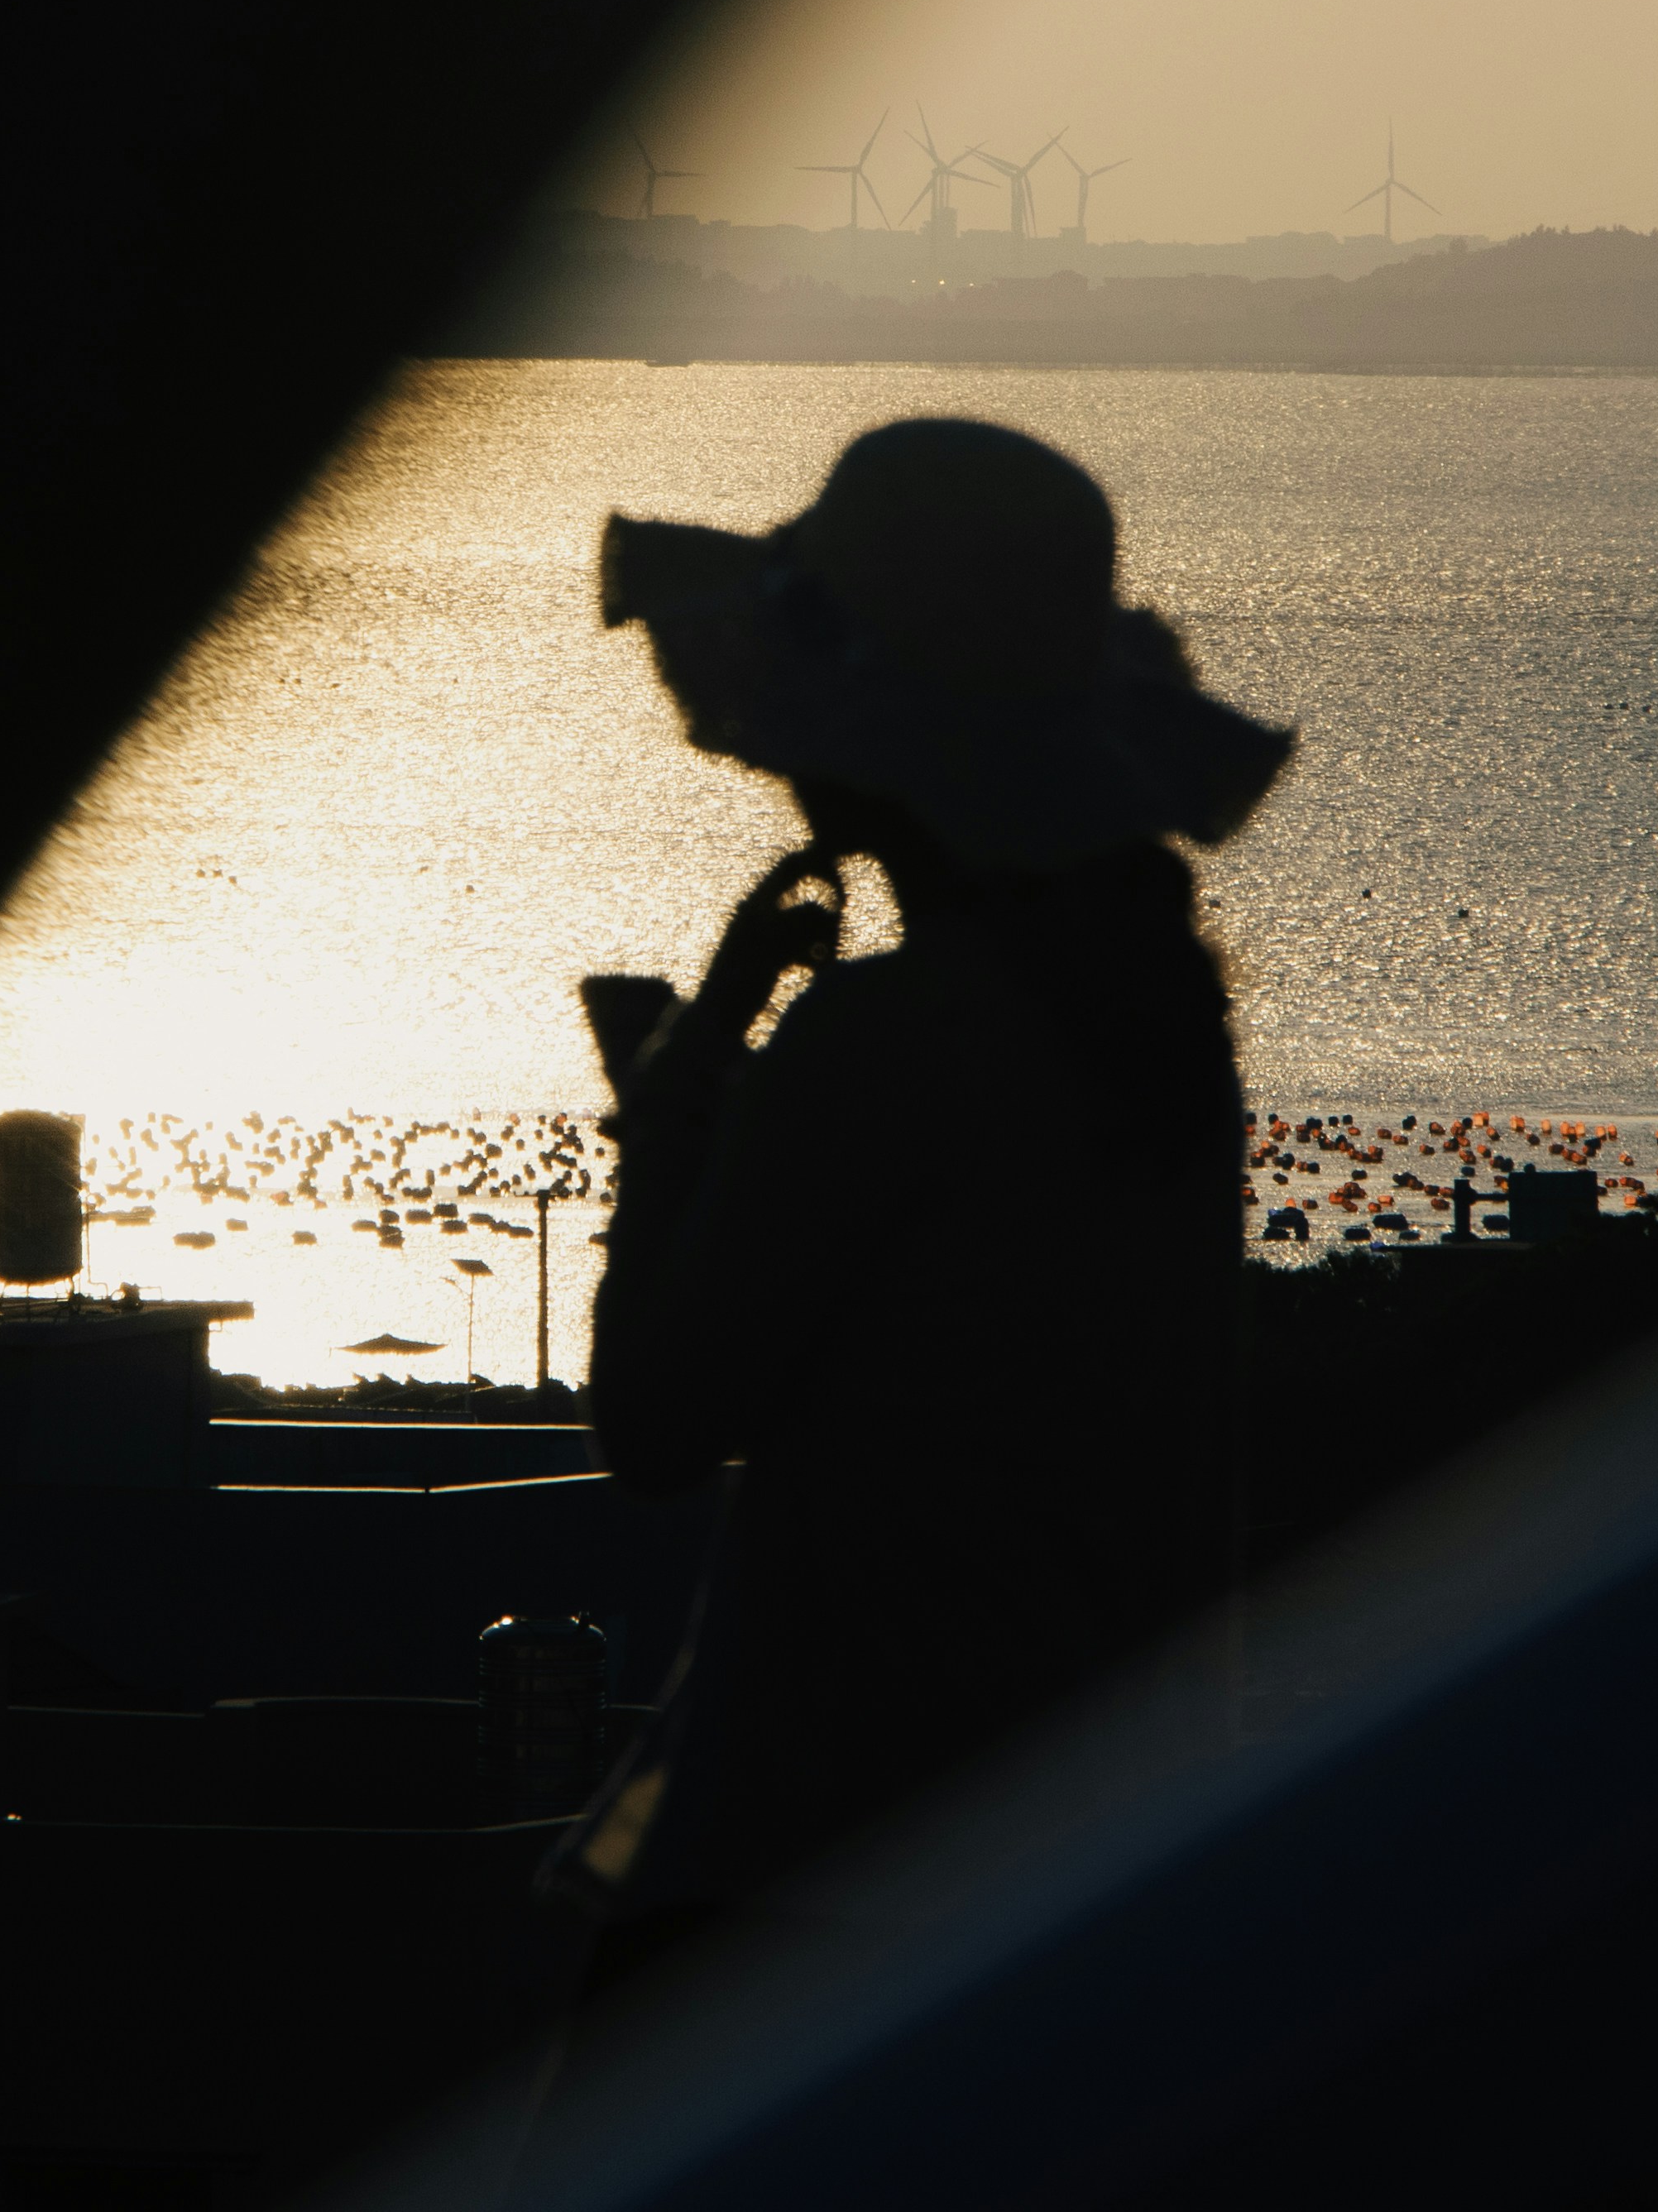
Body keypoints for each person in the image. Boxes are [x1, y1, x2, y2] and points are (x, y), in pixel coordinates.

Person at [549, 417, 1292, 1992]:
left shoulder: (882, 1040)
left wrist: (676, 1097)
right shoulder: (1160, 1033)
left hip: (818, 1869)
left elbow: (656, 1425)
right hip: (1085, 1853)